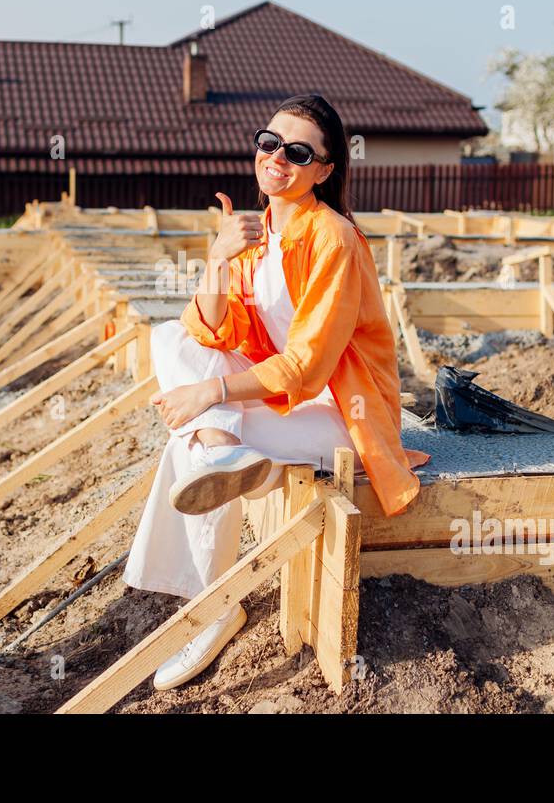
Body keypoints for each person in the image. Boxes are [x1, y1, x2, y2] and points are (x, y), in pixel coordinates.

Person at [122, 93, 428, 690]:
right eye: (269, 142)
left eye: (297, 151)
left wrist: (211, 393)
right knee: (167, 337)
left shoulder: (334, 238)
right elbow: (209, 330)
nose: (276, 158)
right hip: (276, 396)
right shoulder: (256, 232)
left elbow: (310, 368)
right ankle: (219, 453)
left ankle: (214, 612)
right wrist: (216, 257)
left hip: (339, 410)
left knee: (187, 448)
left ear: (324, 169)